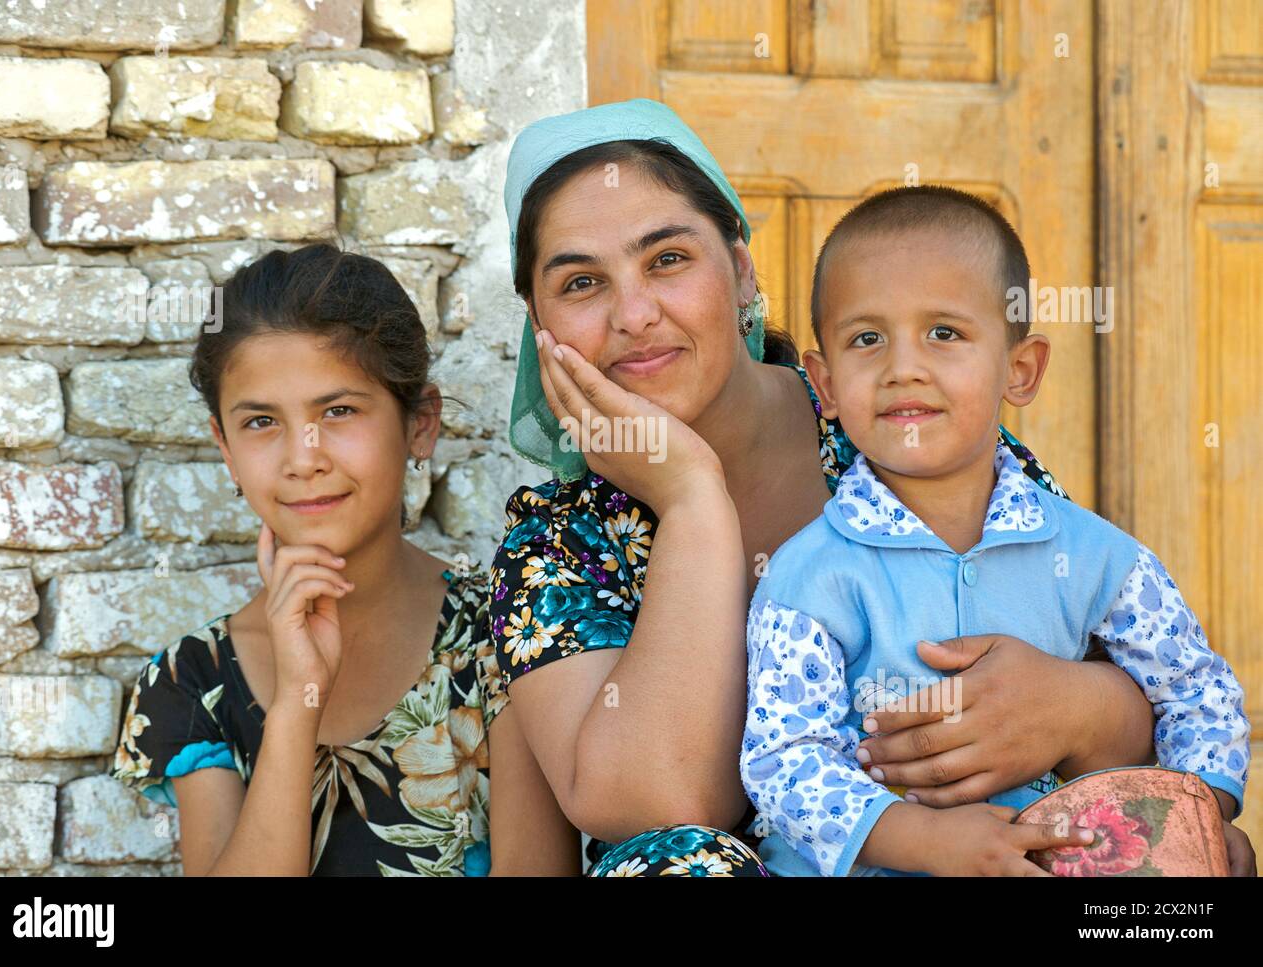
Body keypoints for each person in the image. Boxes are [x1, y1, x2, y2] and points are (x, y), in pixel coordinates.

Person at [487, 98, 1163, 877]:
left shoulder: (895, 426)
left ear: (740, 271)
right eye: (580, 283)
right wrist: (691, 498)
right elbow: (665, 809)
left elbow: (1151, 691)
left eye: (667, 260)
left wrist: (1073, 706)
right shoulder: (556, 551)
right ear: (538, 322)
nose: (634, 314)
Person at [741, 185, 1253, 876]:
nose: (903, 368)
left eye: (944, 333)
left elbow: (1197, 692)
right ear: (825, 384)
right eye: (868, 339)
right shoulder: (809, 577)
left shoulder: (1100, 559)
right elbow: (783, 761)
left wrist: (1197, 813)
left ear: (1021, 368)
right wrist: (926, 840)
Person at [110, 243, 581, 875]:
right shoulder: (193, 680)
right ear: (224, 446)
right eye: (260, 422)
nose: (303, 457)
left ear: (419, 423)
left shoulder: (508, 633)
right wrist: (299, 704)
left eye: (338, 411)